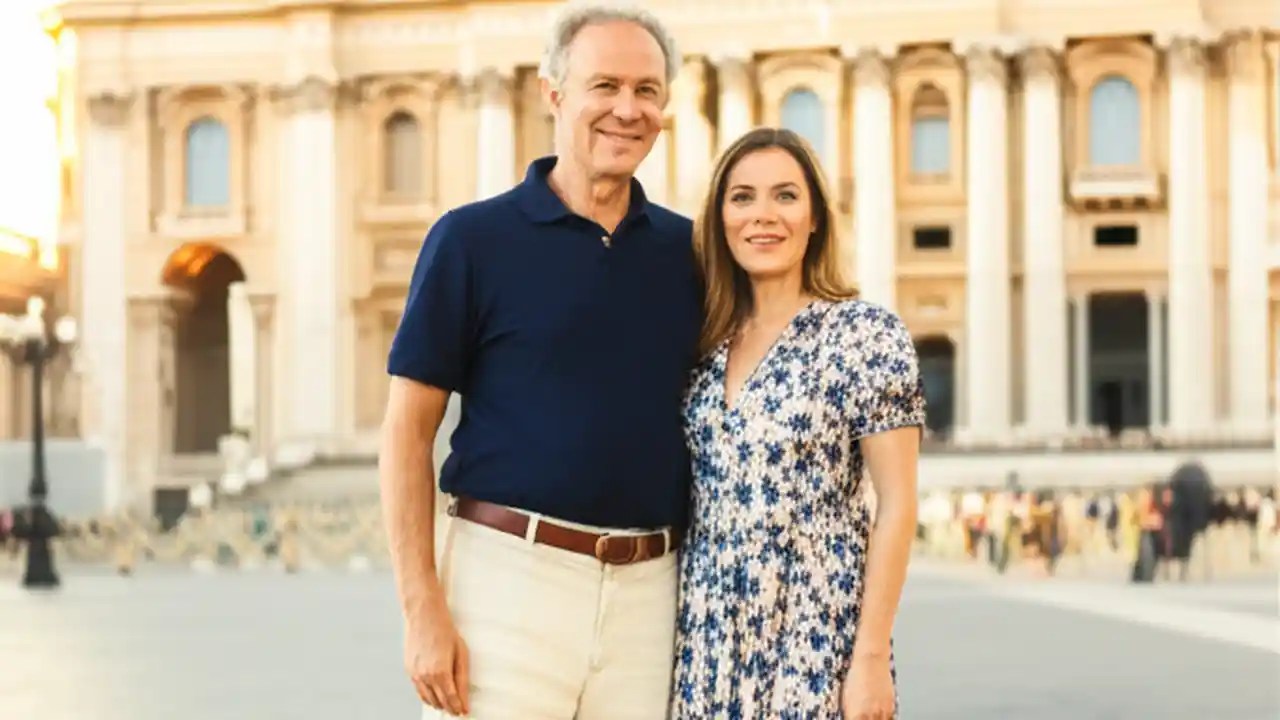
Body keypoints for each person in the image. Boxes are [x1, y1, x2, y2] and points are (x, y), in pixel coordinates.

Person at [378, 4, 698, 719]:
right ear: (552, 94)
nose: (627, 108)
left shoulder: (691, 255)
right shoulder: (469, 241)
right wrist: (421, 605)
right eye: (605, 86)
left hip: (651, 597)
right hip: (505, 585)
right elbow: (407, 432)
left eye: (647, 91)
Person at [670, 127, 926, 719]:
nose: (763, 216)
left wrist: (868, 656)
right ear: (720, 218)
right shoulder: (701, 347)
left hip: (818, 629)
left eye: (785, 196)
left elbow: (897, 504)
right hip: (706, 632)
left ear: (814, 218)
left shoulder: (865, 335)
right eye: (743, 198)